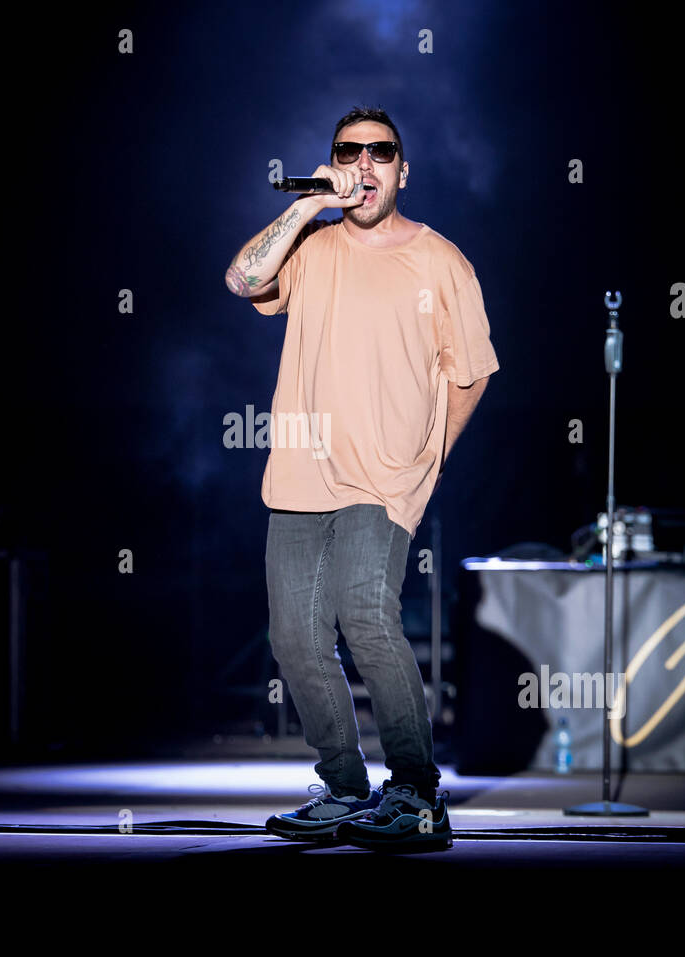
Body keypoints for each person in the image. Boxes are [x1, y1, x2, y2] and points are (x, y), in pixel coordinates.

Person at [224, 107, 499, 850]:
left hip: (383, 480)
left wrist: (426, 460)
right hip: (298, 472)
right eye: (351, 152)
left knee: (365, 612)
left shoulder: (442, 261)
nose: (366, 163)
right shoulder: (311, 246)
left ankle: (416, 791)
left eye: (382, 152)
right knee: (294, 637)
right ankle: (345, 786)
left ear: (403, 171)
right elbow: (240, 277)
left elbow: (470, 376)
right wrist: (310, 203)